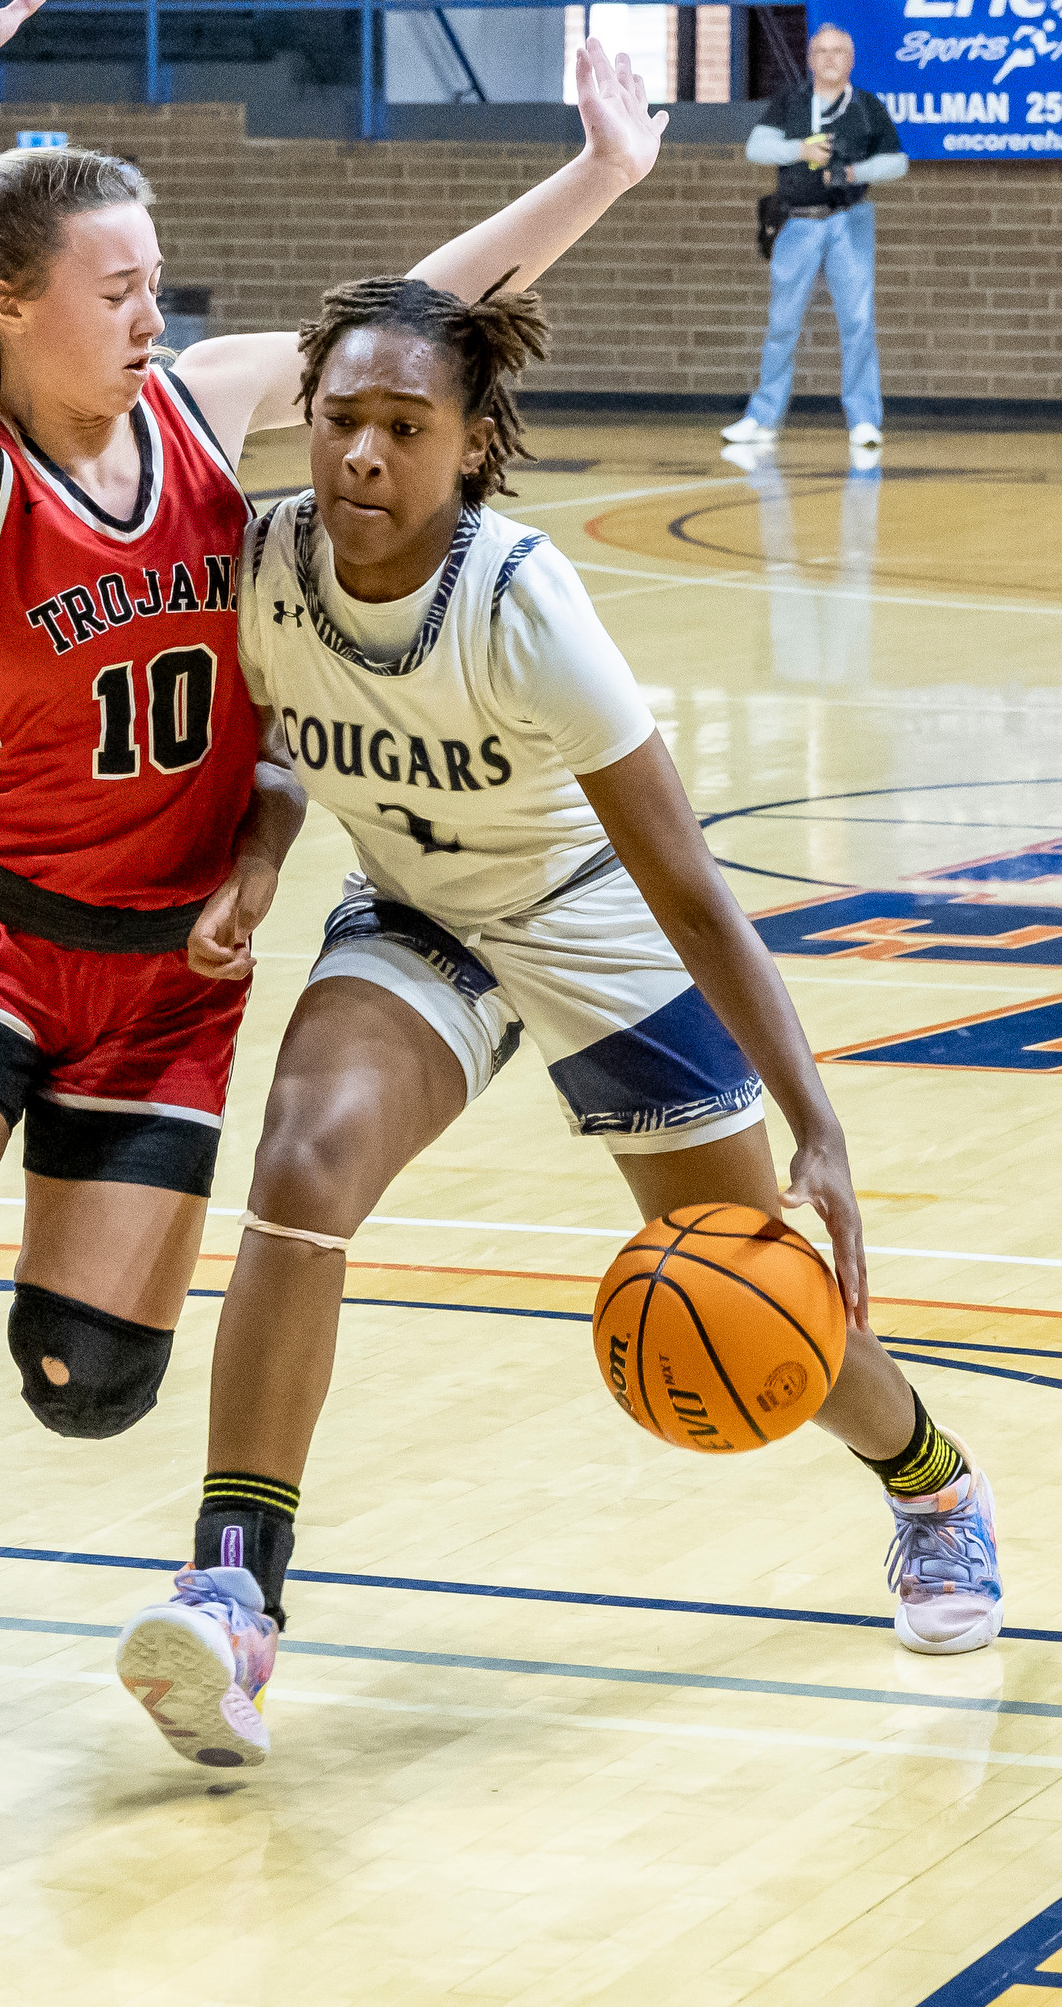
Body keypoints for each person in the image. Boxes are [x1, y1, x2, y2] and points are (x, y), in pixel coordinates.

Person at [0, 0, 665, 1710]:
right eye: (116, 287)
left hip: (169, 974)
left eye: (152, 279)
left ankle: (59, 1371)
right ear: (14, 308)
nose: (153, 307)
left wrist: (598, 170)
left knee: (89, 1386)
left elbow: (414, 328)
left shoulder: (200, 411)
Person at [116, 272, 1004, 1770]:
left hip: (592, 917)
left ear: (470, 442)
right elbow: (273, 733)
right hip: (412, 908)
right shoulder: (266, 562)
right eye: (339, 422)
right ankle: (233, 1600)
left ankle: (928, 1481)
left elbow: (692, 887)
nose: (361, 458)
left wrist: (822, 1124)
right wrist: (263, 857)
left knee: (751, 1291)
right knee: (299, 1164)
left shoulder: (520, 603)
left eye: (404, 427)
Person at [723, 24, 908, 453]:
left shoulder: (866, 107)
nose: (828, 59)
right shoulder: (790, 102)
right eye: (820, 51)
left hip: (850, 219)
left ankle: (864, 420)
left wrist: (856, 172)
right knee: (782, 322)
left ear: (852, 59)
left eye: (838, 51)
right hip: (798, 221)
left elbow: (897, 161)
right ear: (809, 58)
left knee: (858, 322)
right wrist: (799, 151)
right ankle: (762, 417)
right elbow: (755, 147)